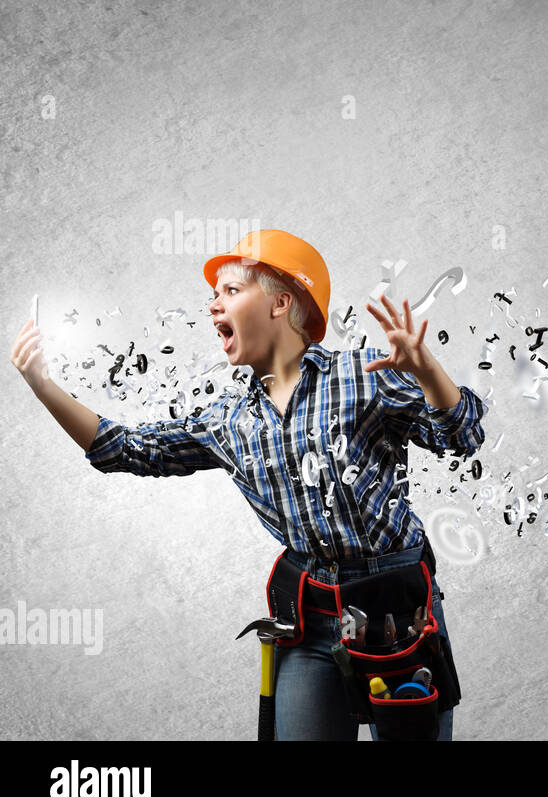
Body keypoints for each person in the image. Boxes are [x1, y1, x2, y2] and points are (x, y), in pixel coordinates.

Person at [9, 229, 488, 740]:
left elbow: (463, 437)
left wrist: (429, 371)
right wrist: (42, 385)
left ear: (282, 302)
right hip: (309, 621)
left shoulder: (364, 373)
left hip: (398, 609)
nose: (213, 306)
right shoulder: (228, 420)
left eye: (231, 291)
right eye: (213, 296)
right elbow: (124, 449)